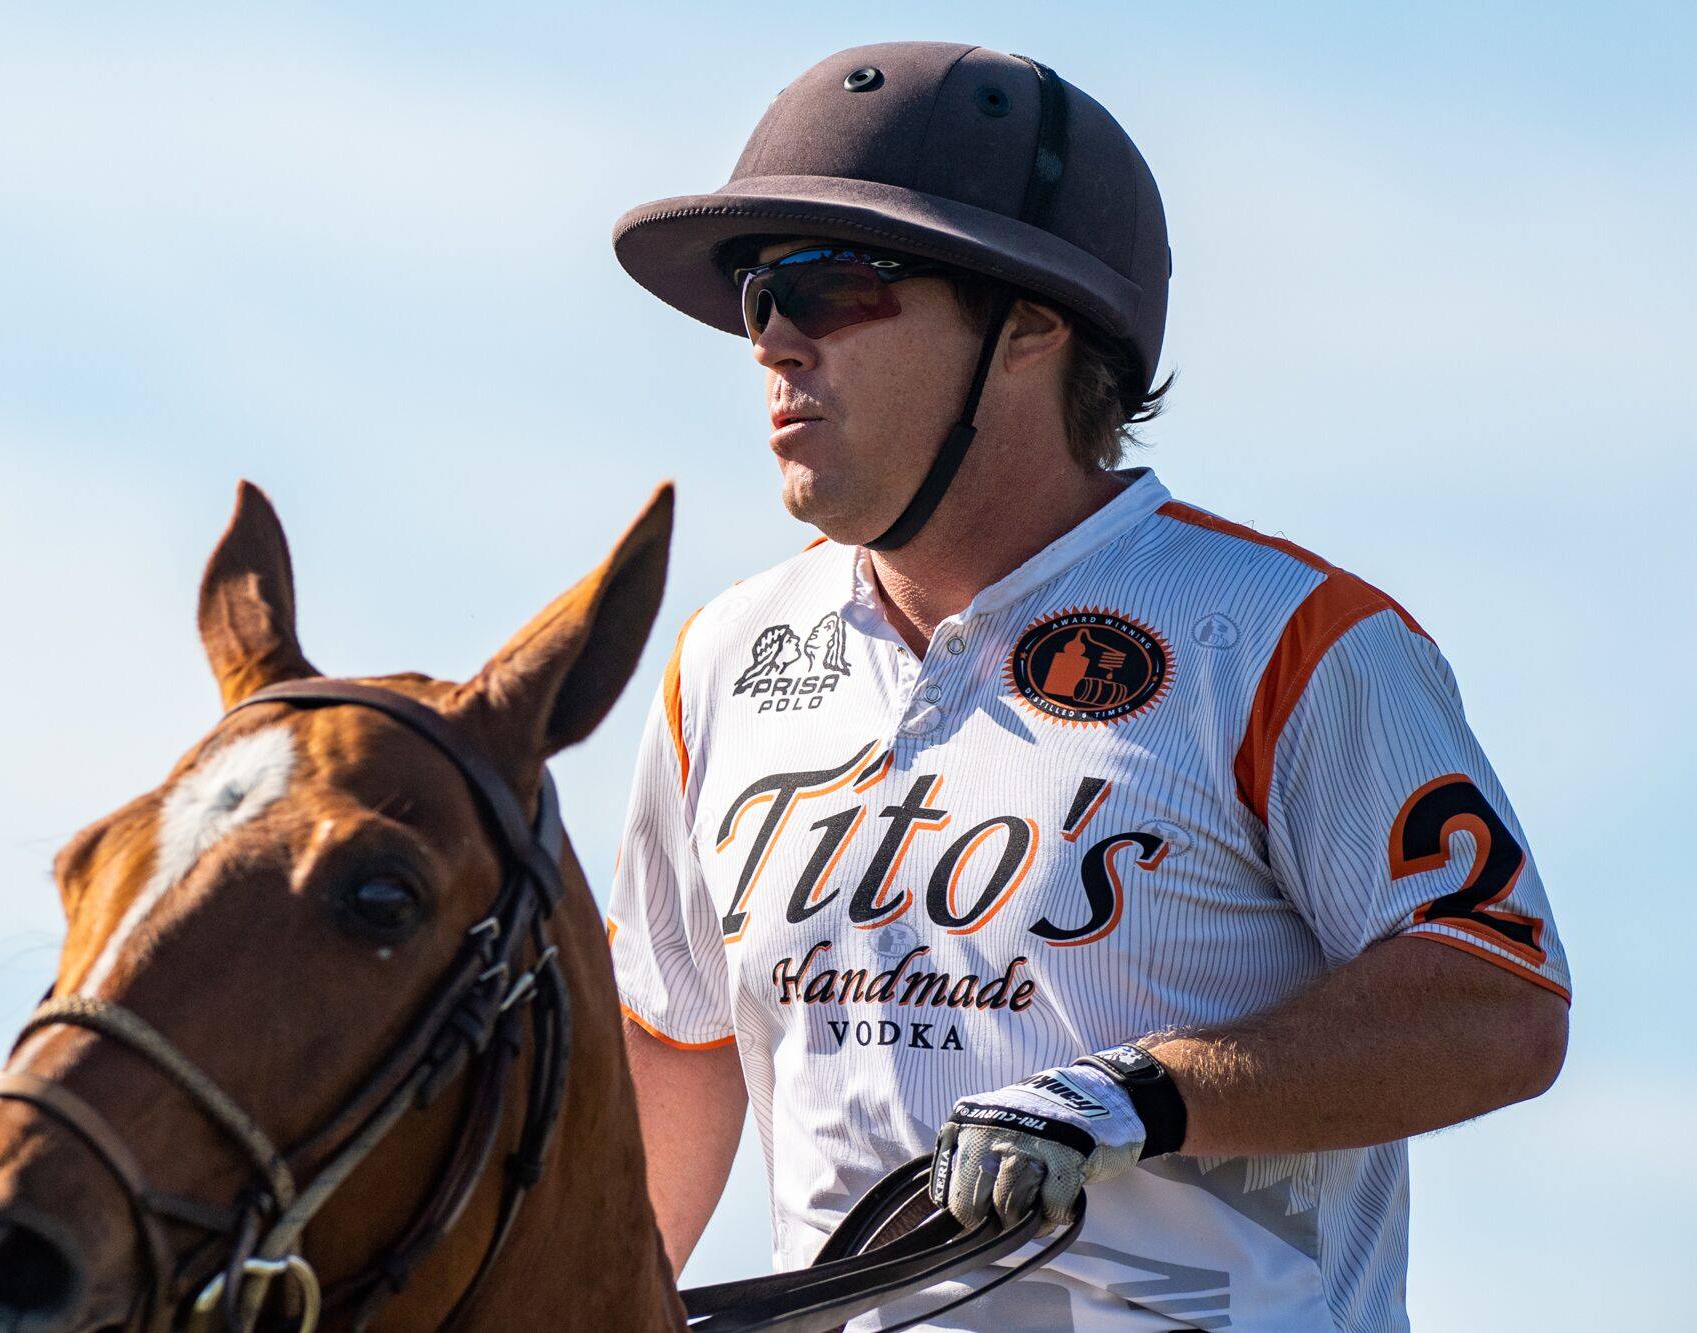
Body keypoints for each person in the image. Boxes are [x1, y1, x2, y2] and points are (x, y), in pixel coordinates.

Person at [604, 41, 1569, 1331]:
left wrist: (1146, 1094)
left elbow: (1499, 1002)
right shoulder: (723, 661)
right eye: (752, 295)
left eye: (827, 286)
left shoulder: (1288, 635)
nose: (772, 340)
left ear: (1034, 323)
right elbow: (673, 1053)